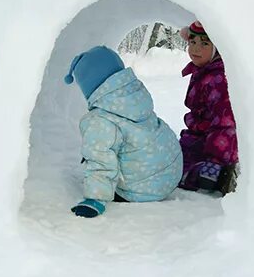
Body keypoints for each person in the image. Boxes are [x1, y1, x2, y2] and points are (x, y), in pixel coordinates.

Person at [64, 45, 183, 218]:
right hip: (169, 176)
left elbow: (101, 160)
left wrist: (94, 199)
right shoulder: (136, 98)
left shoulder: (100, 120)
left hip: (140, 190)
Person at [177, 21, 238, 194]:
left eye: (204, 43)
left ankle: (220, 174)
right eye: (192, 42)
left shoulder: (218, 79)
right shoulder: (202, 71)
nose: (195, 49)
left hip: (212, 147)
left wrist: (214, 162)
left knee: (176, 173)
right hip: (196, 138)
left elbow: (225, 123)